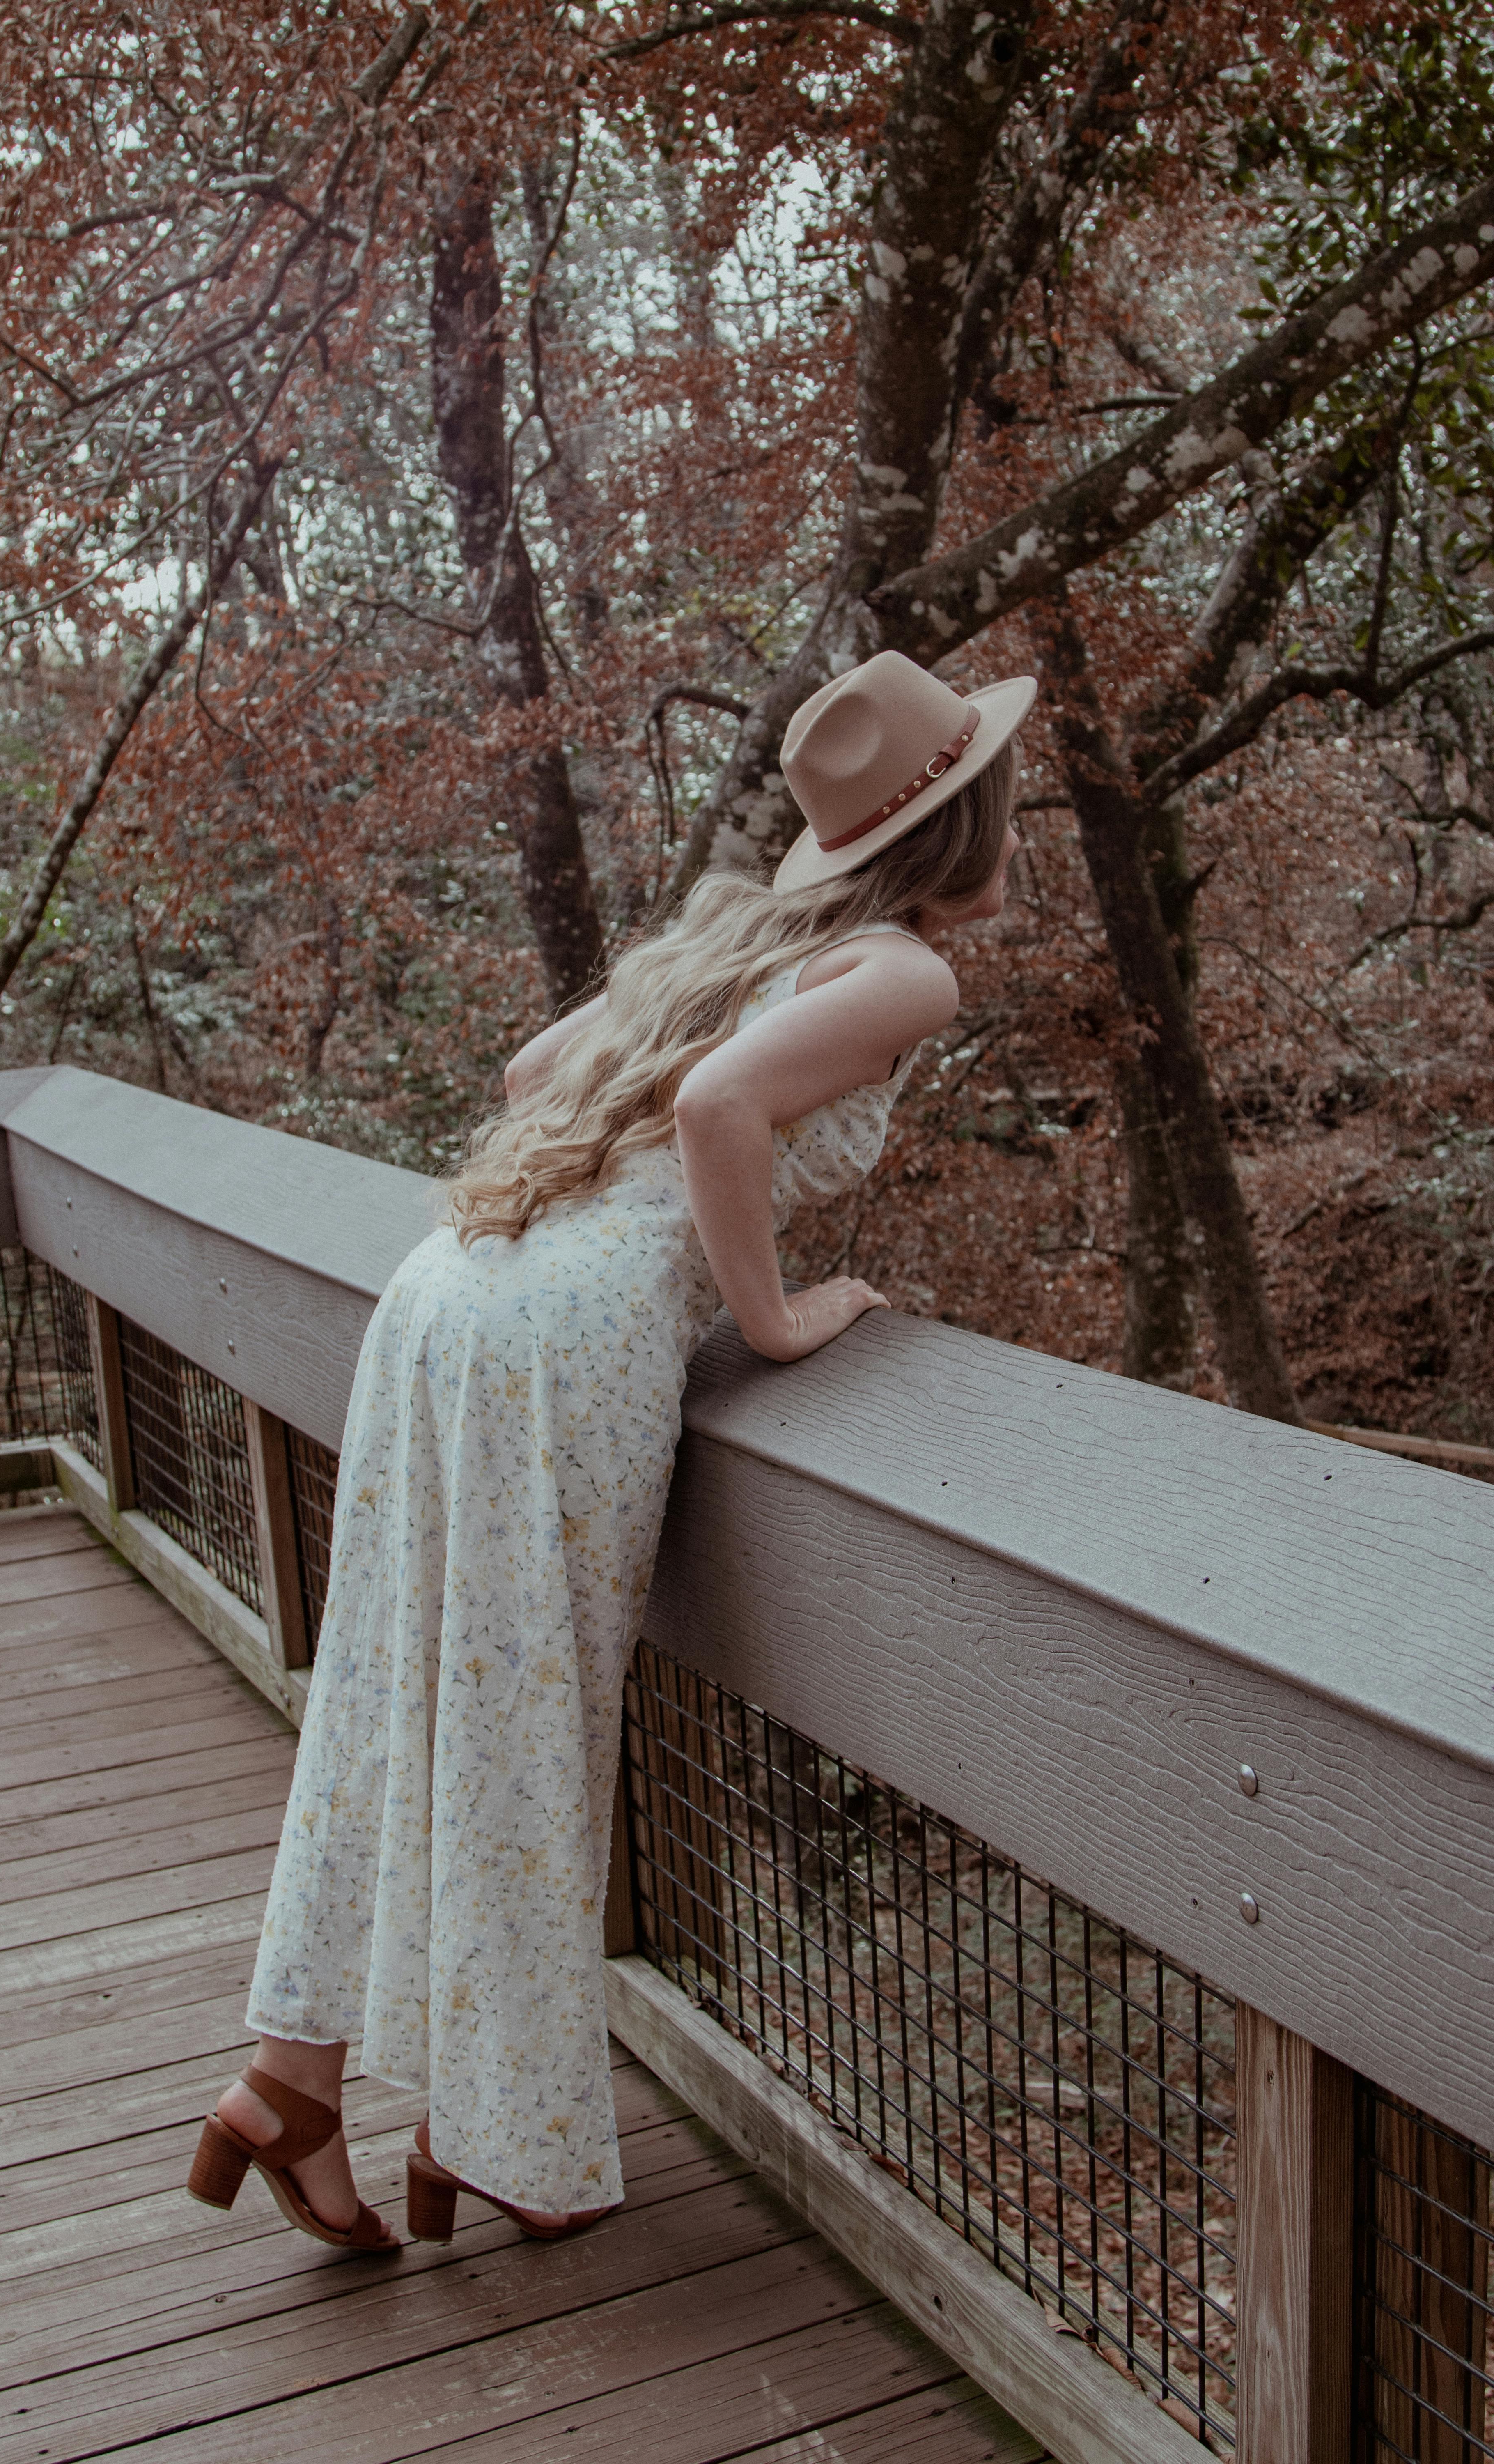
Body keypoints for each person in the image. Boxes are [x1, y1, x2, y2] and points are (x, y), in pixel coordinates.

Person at [186, 646, 1035, 2252]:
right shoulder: (905, 974)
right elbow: (722, 1109)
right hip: (563, 1347)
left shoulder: (737, 931)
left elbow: (531, 1079)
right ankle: (486, 2130)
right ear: (964, 823)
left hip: (448, 1289)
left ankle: (293, 2082)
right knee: (530, 1724)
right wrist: (770, 1321)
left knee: (389, 1681)